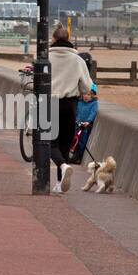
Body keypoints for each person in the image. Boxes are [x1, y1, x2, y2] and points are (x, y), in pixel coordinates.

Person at [48, 24, 94, 191]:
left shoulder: (45, 57)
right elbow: (87, 87)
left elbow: (37, 81)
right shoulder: (78, 60)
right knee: (65, 144)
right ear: (68, 39)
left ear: (53, 39)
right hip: (70, 105)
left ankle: (62, 165)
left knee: (48, 141)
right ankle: (60, 183)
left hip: (50, 102)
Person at [67, 83, 99, 164]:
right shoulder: (80, 102)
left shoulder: (94, 104)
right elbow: (76, 112)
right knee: (73, 139)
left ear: (92, 95)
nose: (86, 96)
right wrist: (75, 119)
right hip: (77, 124)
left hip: (85, 127)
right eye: (84, 94)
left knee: (82, 142)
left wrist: (88, 121)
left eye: (88, 94)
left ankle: (79, 157)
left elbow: (93, 112)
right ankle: (71, 155)